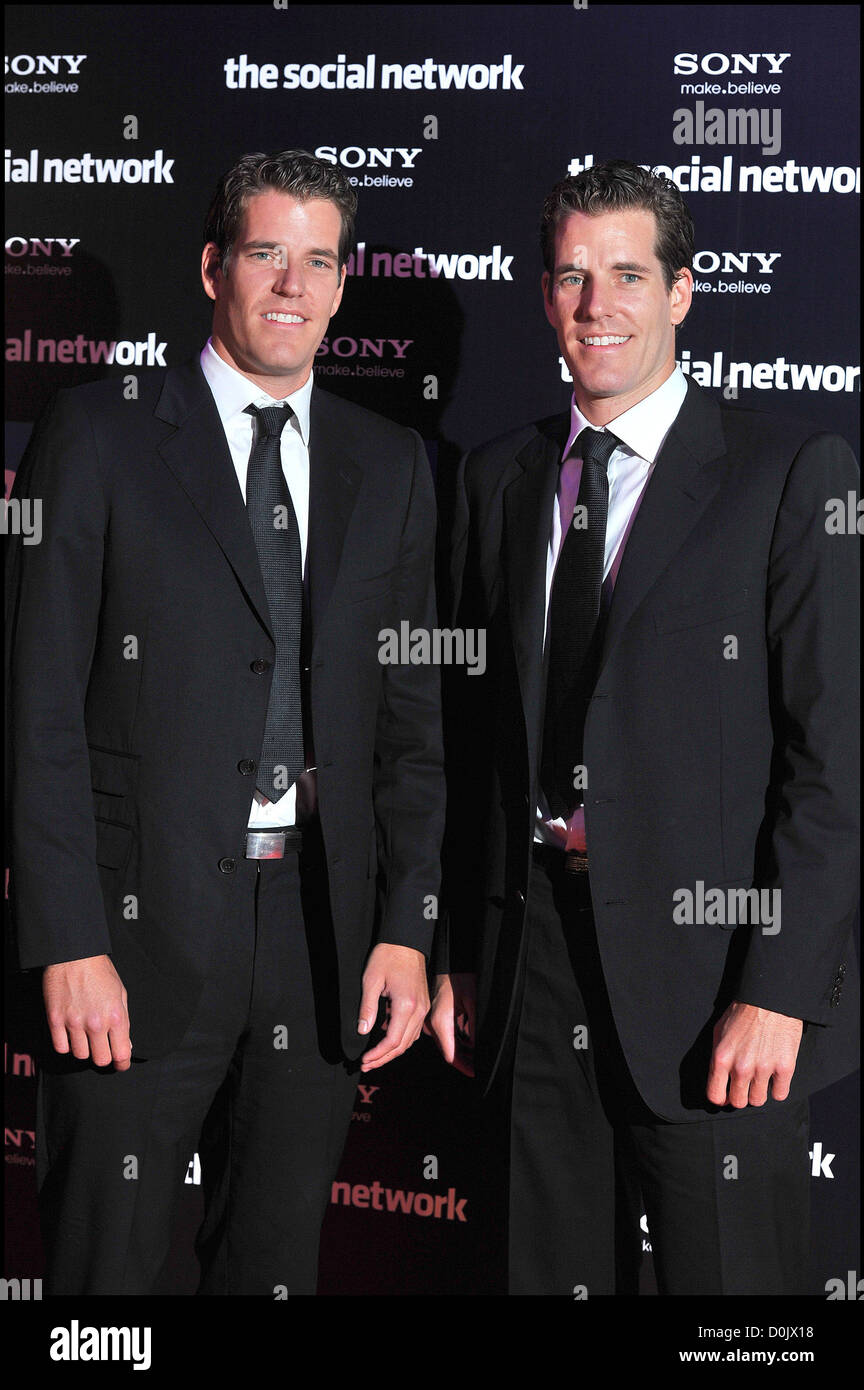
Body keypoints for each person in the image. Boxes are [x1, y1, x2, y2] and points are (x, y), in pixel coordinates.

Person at [6, 149, 444, 1295]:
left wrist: (405, 925)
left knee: (272, 1265)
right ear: (212, 268)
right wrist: (66, 936)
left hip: (318, 943)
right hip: (129, 936)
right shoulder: (96, 435)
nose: (293, 285)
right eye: (266, 253)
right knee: (105, 1281)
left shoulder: (391, 466)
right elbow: (36, 705)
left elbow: (411, 727)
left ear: (344, 286)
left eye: (319, 261)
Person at [429, 159, 858, 1295]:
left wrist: (777, 985)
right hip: (534, 976)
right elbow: (475, 743)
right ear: (542, 293)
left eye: (627, 273)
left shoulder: (786, 474)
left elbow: (837, 764)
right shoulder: (498, 481)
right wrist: (466, 952)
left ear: (680, 292)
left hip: (715, 985)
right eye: (572, 275)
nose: (596, 304)